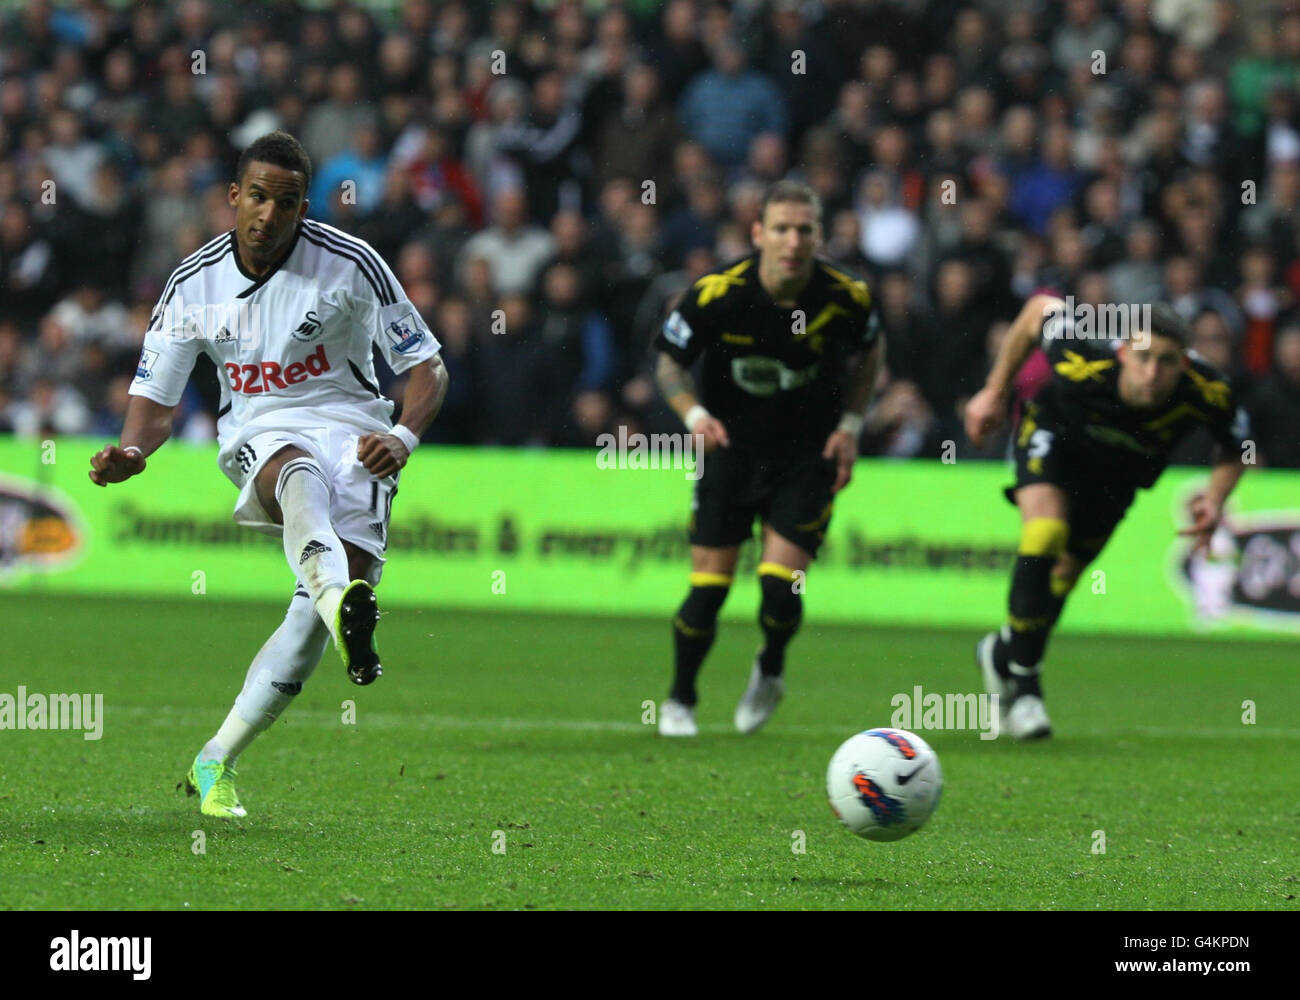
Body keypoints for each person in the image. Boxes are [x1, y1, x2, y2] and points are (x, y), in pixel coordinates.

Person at [88, 132, 449, 817]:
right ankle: (342, 603)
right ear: (233, 197)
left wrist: (403, 435)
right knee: (295, 470)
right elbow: (155, 402)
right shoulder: (192, 284)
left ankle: (213, 759)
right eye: (256, 196)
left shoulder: (352, 264)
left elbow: (426, 366)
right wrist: (133, 451)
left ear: (302, 208)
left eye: (285, 203)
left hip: (355, 426)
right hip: (258, 428)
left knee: (320, 610)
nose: (267, 214)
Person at [652, 180, 882, 736]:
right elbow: (668, 363)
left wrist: (851, 426)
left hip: (807, 456)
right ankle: (681, 698)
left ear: (819, 236)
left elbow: (870, 357)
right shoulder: (716, 294)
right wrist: (693, 417)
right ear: (758, 234)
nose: (793, 241)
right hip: (730, 451)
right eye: (781, 228)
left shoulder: (846, 296)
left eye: (805, 230)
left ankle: (771, 667)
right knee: (708, 588)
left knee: (781, 585)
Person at [964, 296, 1248, 739]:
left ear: (1185, 365)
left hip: (1117, 478)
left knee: (1061, 580)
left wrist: (1215, 497)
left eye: (1167, 362)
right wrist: (994, 391)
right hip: (1052, 437)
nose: (1152, 373)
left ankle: (1002, 653)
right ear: (1122, 352)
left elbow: (1235, 449)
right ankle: (1026, 688)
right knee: (1045, 533)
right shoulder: (1082, 358)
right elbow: (1039, 308)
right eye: (1143, 357)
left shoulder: (1208, 391)